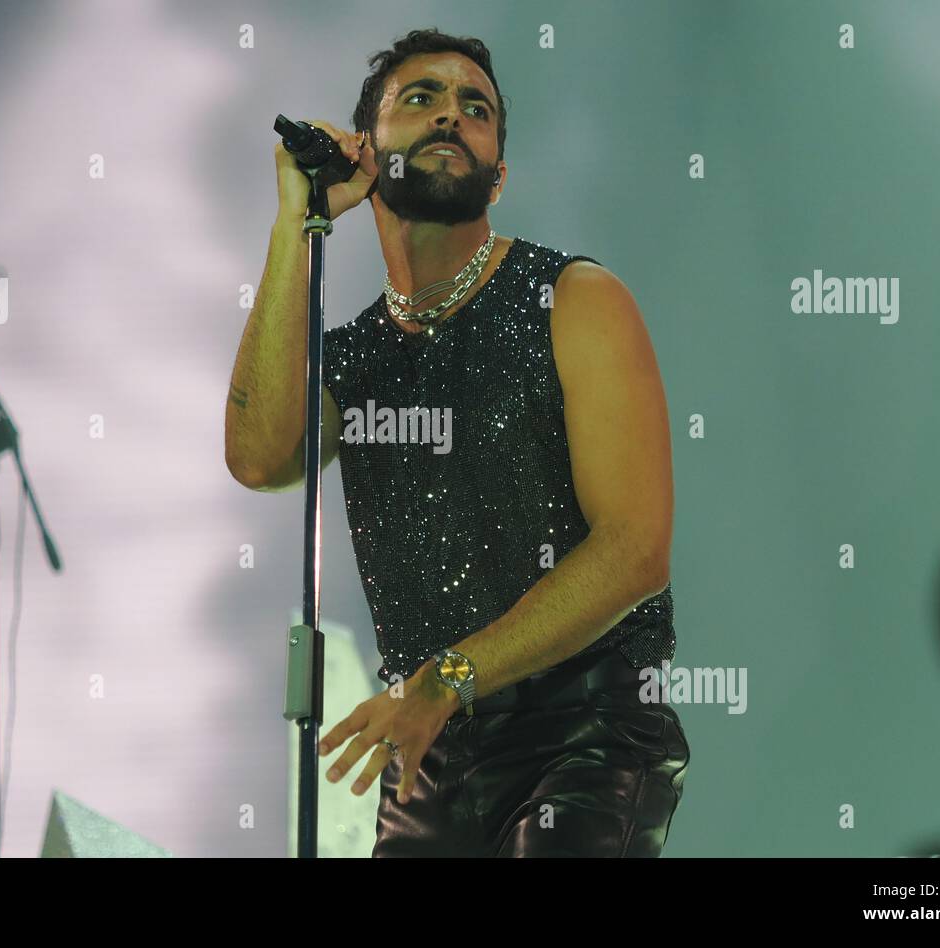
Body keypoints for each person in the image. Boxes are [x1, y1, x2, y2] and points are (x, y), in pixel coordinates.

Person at [225, 28, 688, 857]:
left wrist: (450, 676)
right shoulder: (359, 359)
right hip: (429, 759)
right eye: (421, 99)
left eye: (476, 109)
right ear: (366, 156)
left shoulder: (573, 299)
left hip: (584, 731)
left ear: (499, 175)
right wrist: (295, 224)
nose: (451, 116)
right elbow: (259, 457)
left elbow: (636, 550)